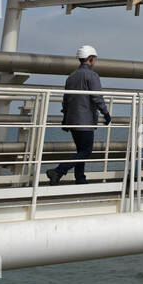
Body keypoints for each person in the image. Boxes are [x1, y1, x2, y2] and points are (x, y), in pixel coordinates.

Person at [47, 45, 111, 185]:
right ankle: (58, 171)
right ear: (90, 59)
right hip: (85, 120)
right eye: (95, 59)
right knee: (86, 151)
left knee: (80, 150)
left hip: (72, 119)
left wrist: (65, 118)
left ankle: (80, 179)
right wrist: (106, 113)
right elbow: (97, 97)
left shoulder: (71, 76)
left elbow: (66, 100)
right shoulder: (92, 75)